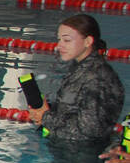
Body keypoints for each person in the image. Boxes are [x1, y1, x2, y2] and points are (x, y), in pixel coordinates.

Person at [29, 14, 124, 146]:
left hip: (83, 158)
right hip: (68, 152)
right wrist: (45, 111)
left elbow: (89, 132)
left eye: (67, 40)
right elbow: (73, 111)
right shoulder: (80, 69)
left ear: (87, 42)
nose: (59, 45)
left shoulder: (97, 77)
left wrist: (45, 117)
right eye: (59, 40)